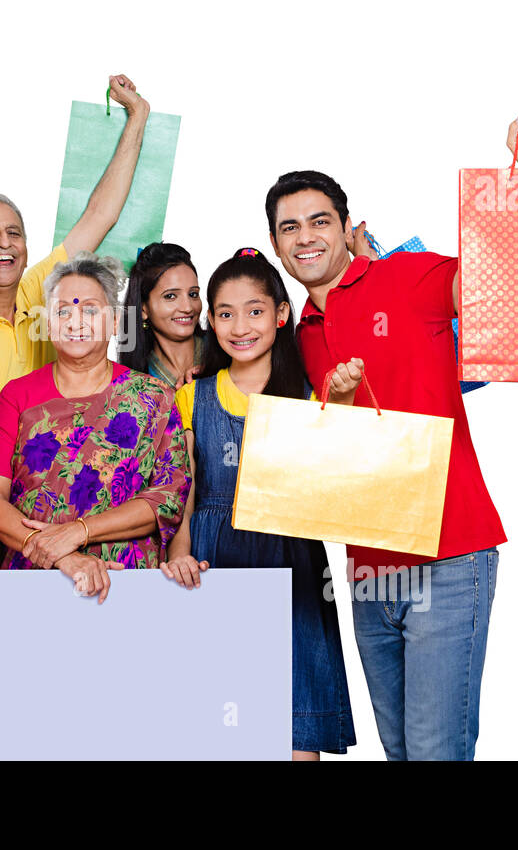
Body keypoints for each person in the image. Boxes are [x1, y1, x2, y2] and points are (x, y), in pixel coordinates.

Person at [265, 113, 518, 760]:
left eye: (320, 221)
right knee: (401, 752)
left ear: (348, 227)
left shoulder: (409, 279)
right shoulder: (295, 342)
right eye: (290, 227)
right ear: (275, 245)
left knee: (434, 753)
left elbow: (500, 280)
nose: (306, 237)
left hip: (452, 556)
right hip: (370, 571)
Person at [162, 248, 357, 761]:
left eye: (254, 310)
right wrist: (178, 549)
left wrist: (343, 405)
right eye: (225, 313)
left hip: (290, 560)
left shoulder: (309, 393)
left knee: (295, 730)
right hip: (210, 557)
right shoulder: (192, 395)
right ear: (210, 321)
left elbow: (337, 479)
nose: (240, 326)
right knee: (216, 726)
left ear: (281, 314)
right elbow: (186, 489)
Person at [0, 252, 190, 603]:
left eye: (90, 310)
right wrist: (60, 554)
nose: (75, 322)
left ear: (115, 321)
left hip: (127, 584)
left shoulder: (154, 398)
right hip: (34, 580)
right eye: (63, 311)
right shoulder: (18, 396)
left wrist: (79, 532)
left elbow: (169, 499)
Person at [0, 73, 151, 414]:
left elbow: (100, 215)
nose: (5, 244)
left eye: (14, 234)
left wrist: (138, 116)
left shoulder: (41, 288)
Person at [117, 242, 205, 387]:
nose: (188, 307)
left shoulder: (225, 353)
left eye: (193, 294)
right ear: (143, 309)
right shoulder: (135, 382)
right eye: (170, 296)